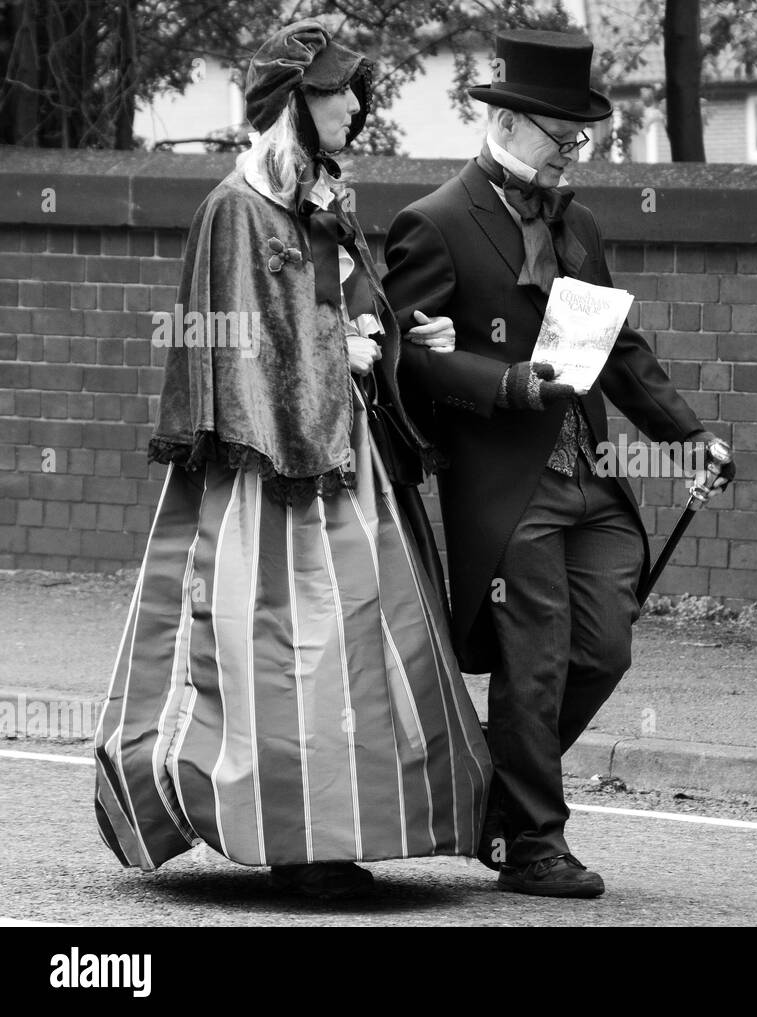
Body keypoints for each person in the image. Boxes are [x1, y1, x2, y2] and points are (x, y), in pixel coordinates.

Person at [93, 20, 492, 900]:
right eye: (338, 90)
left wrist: (394, 334)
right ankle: (300, 842)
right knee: (282, 639)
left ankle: (350, 826)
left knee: (359, 635)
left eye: (356, 91)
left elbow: (346, 313)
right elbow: (231, 347)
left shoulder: (323, 198)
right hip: (264, 473)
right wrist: (330, 348)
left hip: (342, 458)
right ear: (293, 103)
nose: (356, 106)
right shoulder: (235, 208)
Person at [382, 28, 733, 900]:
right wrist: (505, 381)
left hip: (591, 479)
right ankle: (537, 843)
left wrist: (692, 437)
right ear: (509, 119)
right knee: (531, 662)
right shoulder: (435, 222)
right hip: (507, 489)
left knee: (604, 649)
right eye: (560, 134)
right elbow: (406, 360)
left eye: (581, 135)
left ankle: (499, 803)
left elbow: (622, 350)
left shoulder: (577, 224)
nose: (575, 150)